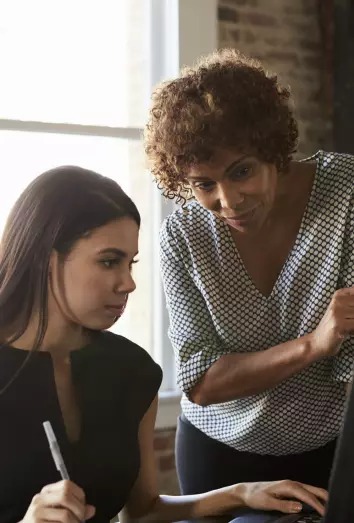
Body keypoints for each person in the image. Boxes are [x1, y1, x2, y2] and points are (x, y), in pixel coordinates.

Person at [0, 166, 327, 523]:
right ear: (47, 258)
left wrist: (242, 493)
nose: (128, 283)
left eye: (130, 263)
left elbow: (143, 511)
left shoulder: (132, 370)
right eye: (109, 262)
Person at [143, 48, 354, 497]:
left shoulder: (346, 195)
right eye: (204, 184)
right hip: (217, 454)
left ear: (272, 149)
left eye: (242, 171)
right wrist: (314, 344)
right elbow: (200, 381)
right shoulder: (182, 235)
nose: (230, 201)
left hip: (332, 449)